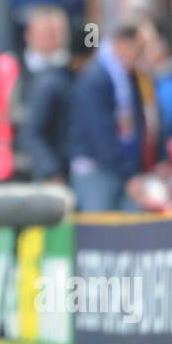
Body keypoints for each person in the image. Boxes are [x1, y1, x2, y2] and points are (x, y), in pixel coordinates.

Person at [68, 21, 146, 212]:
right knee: (99, 234)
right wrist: (128, 174)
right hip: (96, 169)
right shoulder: (95, 76)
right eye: (137, 51)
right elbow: (99, 132)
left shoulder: (126, 76)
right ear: (121, 44)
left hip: (121, 168)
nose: (138, 58)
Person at [18, 5, 72, 183]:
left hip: (60, 169)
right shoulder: (8, 69)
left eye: (57, 32)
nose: (52, 38)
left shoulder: (74, 72)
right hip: (12, 167)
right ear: (29, 34)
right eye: (46, 33)